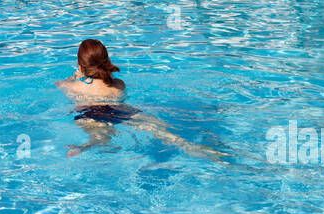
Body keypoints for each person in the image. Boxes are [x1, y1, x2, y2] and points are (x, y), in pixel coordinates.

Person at [58, 39, 225, 161]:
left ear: (81, 66)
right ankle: (199, 149)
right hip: (120, 112)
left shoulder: (73, 87)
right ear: (106, 61)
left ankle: (83, 147)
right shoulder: (118, 84)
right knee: (166, 133)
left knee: (100, 138)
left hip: (90, 114)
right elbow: (119, 96)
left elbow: (61, 85)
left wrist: (74, 77)